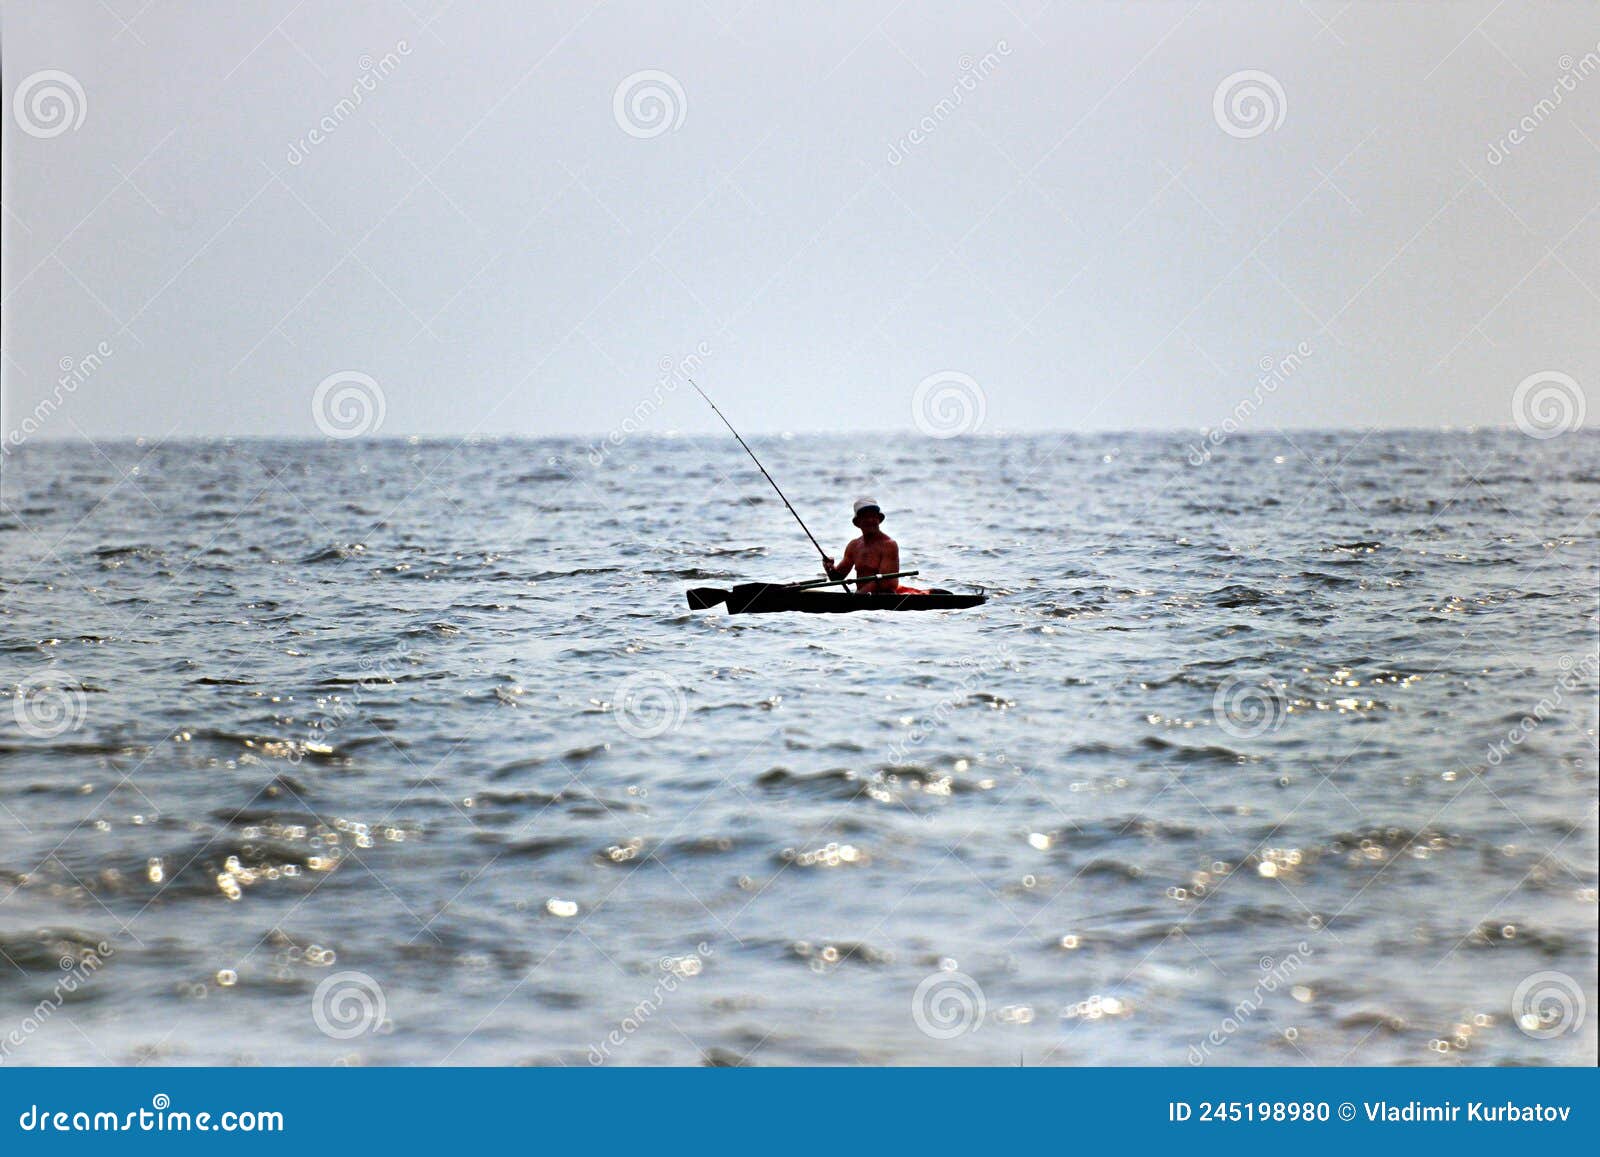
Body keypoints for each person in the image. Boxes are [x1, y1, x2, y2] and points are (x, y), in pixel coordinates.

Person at [823, 498, 926, 594]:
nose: (870, 520)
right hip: (862, 598)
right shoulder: (853, 546)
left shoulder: (889, 545)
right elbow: (837, 578)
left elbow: (885, 583)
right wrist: (829, 568)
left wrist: (858, 596)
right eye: (865, 517)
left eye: (873, 516)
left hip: (883, 600)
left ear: (879, 519)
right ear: (858, 522)